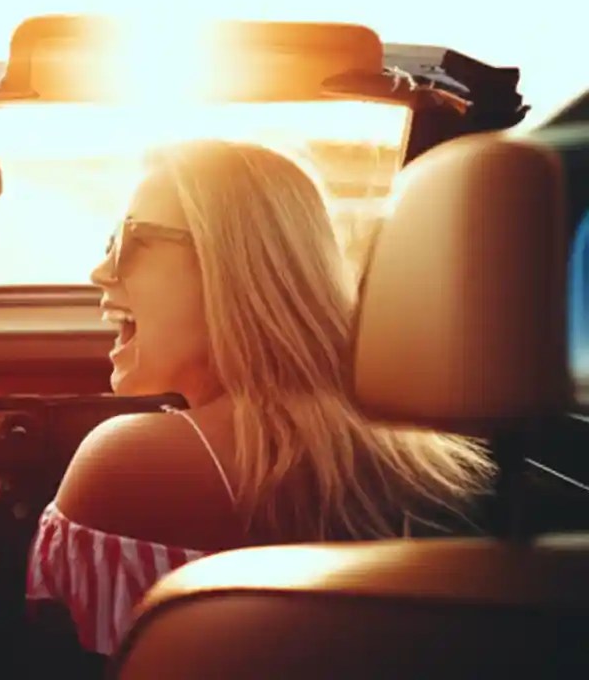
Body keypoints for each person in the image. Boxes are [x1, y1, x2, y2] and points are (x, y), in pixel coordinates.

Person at [26, 139, 494, 656]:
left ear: (228, 262)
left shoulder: (132, 462)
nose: (100, 272)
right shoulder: (415, 459)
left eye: (128, 241)